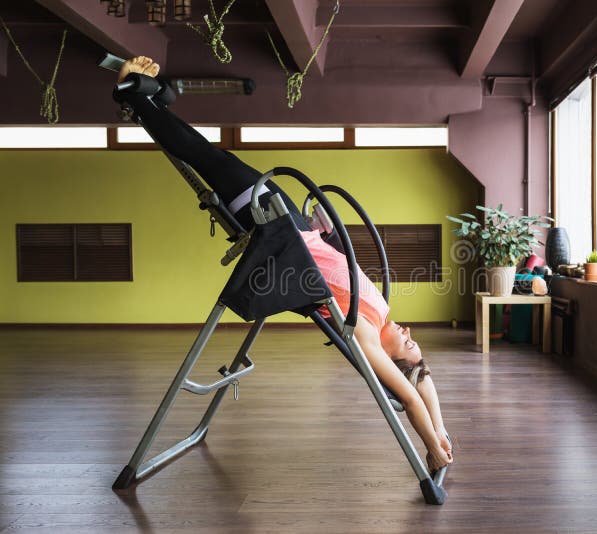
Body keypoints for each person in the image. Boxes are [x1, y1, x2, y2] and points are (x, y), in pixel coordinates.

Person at [113, 57, 453, 472]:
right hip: (295, 224)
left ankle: (136, 99)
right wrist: (441, 428)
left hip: (274, 228)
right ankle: (153, 107)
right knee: (209, 155)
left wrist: (432, 448)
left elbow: (411, 393)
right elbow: (424, 382)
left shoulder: (361, 331)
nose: (409, 333)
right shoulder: (380, 315)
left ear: (390, 358)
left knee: (203, 156)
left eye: (408, 344)